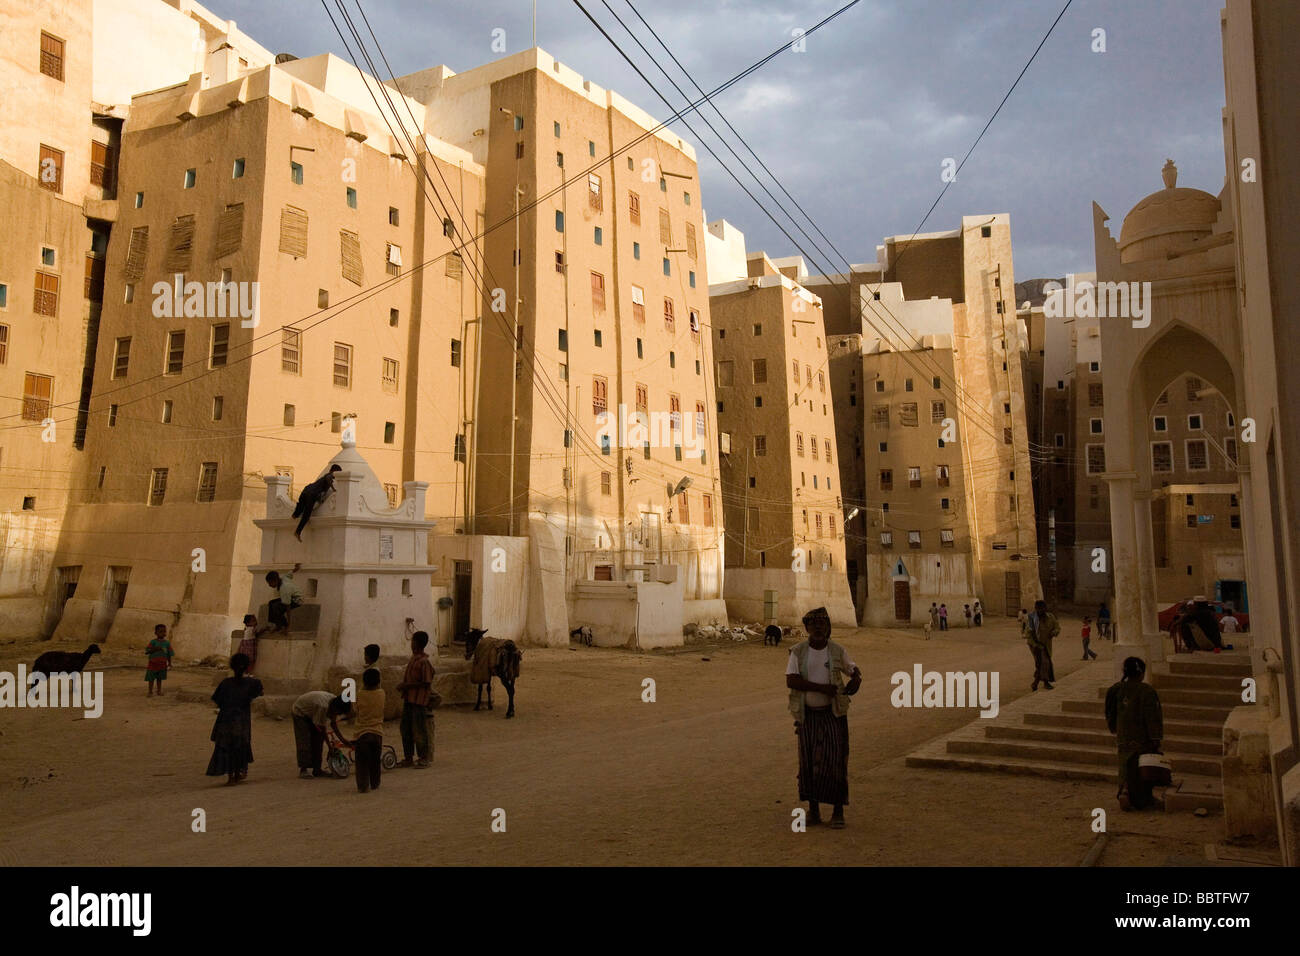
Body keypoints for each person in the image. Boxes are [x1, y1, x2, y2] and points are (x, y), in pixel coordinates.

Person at [785, 606, 862, 829]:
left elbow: (853, 669)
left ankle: (838, 812)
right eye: (814, 624)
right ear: (807, 628)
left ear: (828, 628)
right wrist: (822, 688)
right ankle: (814, 811)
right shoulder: (797, 652)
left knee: (835, 763)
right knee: (809, 764)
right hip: (808, 717)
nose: (818, 628)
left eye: (823, 624)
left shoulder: (837, 650)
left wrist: (857, 678)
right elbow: (792, 680)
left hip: (833, 715)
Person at [1105, 656, 1164, 810]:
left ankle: (1124, 792)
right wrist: (1156, 738)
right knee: (1142, 768)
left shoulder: (1116, 689)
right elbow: (1153, 717)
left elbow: (1110, 712)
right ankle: (1143, 798)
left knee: (1125, 765)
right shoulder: (1147, 691)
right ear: (1141, 673)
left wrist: (1115, 728)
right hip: (1142, 737)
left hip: (1123, 736)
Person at [206, 653, 264, 785]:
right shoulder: (252, 683)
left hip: (225, 720)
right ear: (247, 668)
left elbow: (217, 700)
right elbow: (260, 692)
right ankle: (238, 773)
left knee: (227, 746)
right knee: (240, 746)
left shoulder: (226, 683)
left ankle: (231, 776)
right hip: (241, 721)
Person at [396, 630, 435, 769]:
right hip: (409, 699)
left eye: (413, 641)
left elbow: (426, 682)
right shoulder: (414, 659)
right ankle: (408, 758)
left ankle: (423, 758)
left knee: (419, 730)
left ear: (417, 643)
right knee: (405, 728)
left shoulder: (424, 662)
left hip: (419, 701)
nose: (411, 643)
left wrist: (407, 685)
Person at [291, 691, 351, 778]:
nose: (337, 715)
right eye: (338, 713)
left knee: (318, 740)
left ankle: (317, 770)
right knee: (304, 740)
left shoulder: (335, 701)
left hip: (312, 711)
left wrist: (342, 739)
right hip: (300, 712)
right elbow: (321, 729)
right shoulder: (323, 707)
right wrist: (330, 746)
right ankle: (303, 770)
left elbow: (333, 723)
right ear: (335, 709)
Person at [353, 668, 386, 793]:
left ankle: (363, 785)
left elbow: (356, 710)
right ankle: (375, 783)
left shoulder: (360, 694)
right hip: (377, 732)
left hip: (362, 733)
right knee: (375, 761)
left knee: (362, 762)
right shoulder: (382, 693)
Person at [293, 464, 342, 540]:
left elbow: (322, 492)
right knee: (306, 514)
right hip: (312, 494)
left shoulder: (323, 478)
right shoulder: (330, 476)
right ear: (335, 471)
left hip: (306, 490)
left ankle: (295, 515)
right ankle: (298, 532)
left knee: (300, 507)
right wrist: (333, 489)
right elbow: (328, 479)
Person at [1025, 600, 1059, 691]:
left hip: (1046, 644)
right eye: (1038, 609)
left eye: (1042, 609)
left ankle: (1035, 683)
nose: (1040, 611)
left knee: (1040, 664)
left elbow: (1057, 627)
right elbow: (1028, 635)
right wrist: (1035, 645)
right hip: (1035, 645)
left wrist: (1054, 632)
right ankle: (1046, 682)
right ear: (1036, 609)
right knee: (1045, 662)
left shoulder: (1050, 617)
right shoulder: (1032, 618)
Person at [265, 562, 303, 634]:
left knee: (276, 607)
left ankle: (284, 626)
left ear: (275, 580)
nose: (269, 585)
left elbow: (287, 607)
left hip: (297, 600)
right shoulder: (283, 578)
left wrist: (289, 625)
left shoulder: (284, 589)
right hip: (291, 596)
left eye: (270, 583)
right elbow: (290, 573)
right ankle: (276, 624)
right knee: (271, 603)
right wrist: (296, 569)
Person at [145, 624, 173, 696]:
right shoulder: (153, 642)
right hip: (153, 663)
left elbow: (169, 654)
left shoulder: (167, 643)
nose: (163, 633)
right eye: (160, 631)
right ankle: (150, 691)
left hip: (162, 664)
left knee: (159, 678)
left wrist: (169, 663)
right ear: (156, 633)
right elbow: (147, 651)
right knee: (151, 678)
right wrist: (155, 649)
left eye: (164, 631)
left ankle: (159, 691)